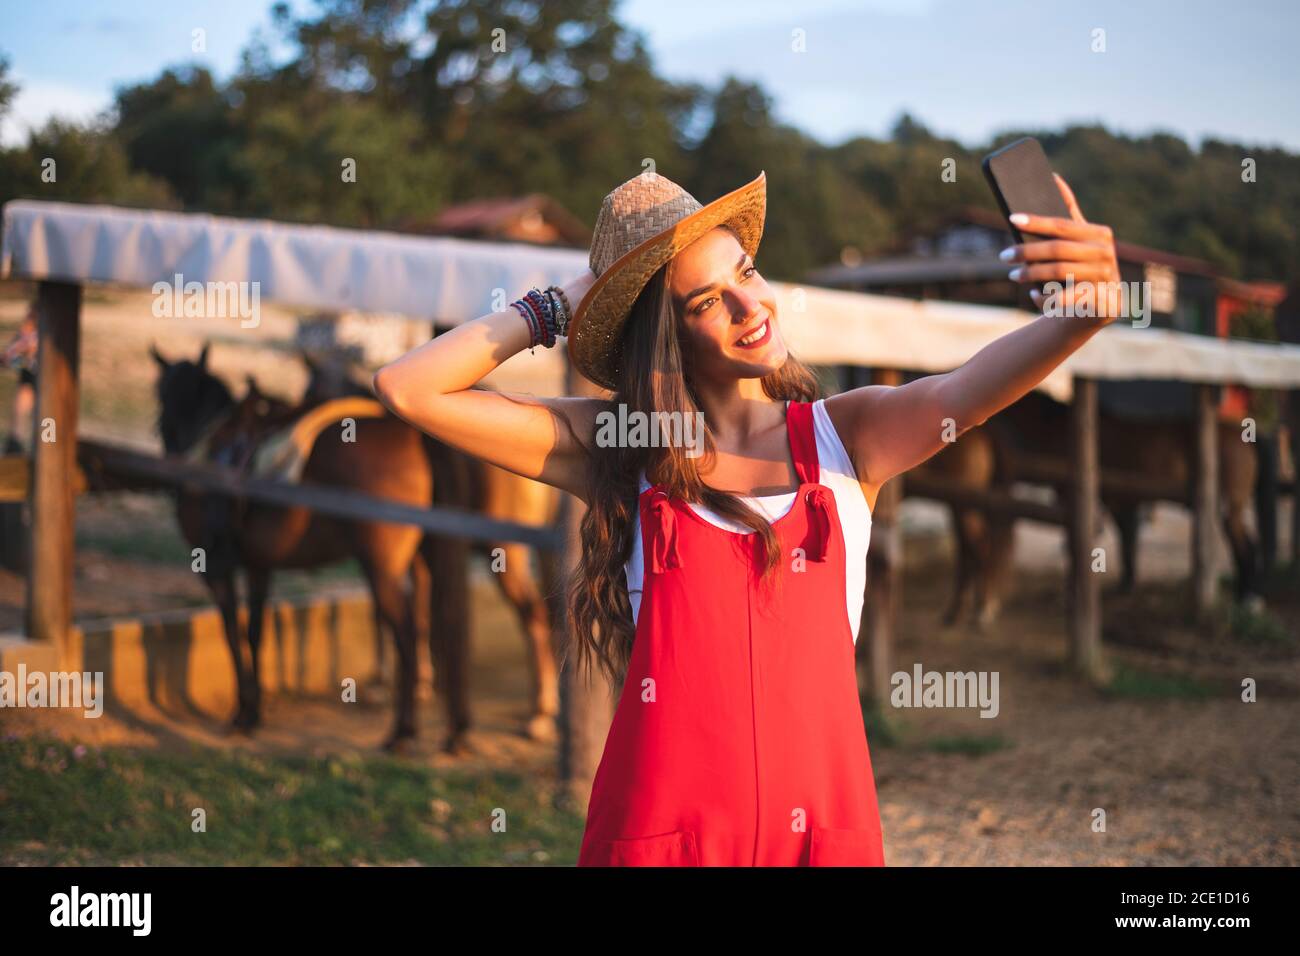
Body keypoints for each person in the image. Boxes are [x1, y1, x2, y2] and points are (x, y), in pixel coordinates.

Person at [373, 169, 1121, 866]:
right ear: (664, 336)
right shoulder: (617, 450)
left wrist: (1081, 316)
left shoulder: (849, 438)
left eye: (747, 272)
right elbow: (409, 389)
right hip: (659, 844)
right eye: (705, 301)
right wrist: (562, 305)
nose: (749, 305)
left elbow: (972, 387)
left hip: (824, 839)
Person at [1, 304, 39, 455]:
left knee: (48, 424)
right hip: (30, 382)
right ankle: (14, 446)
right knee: (23, 400)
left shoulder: (40, 336)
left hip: (46, 389)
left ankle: (46, 447)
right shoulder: (24, 337)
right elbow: (8, 359)